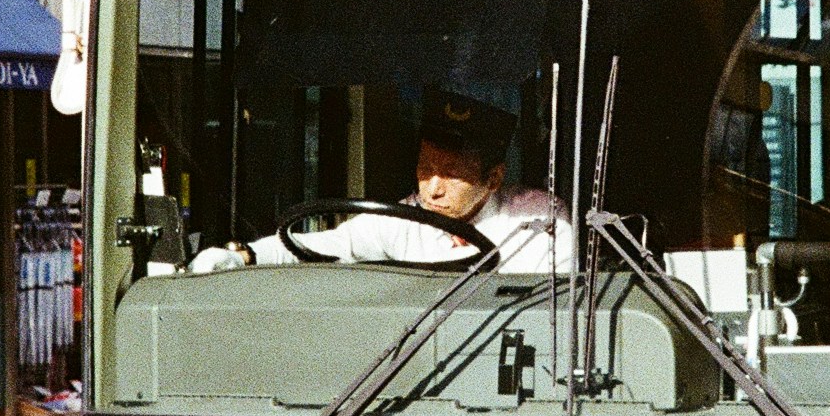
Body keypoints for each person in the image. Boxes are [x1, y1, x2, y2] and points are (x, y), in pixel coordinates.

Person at [190, 92, 568, 274]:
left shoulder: (537, 222)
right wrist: (242, 256)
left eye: (451, 173)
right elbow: (323, 246)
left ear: (494, 179)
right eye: (424, 167)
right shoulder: (406, 218)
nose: (432, 188)